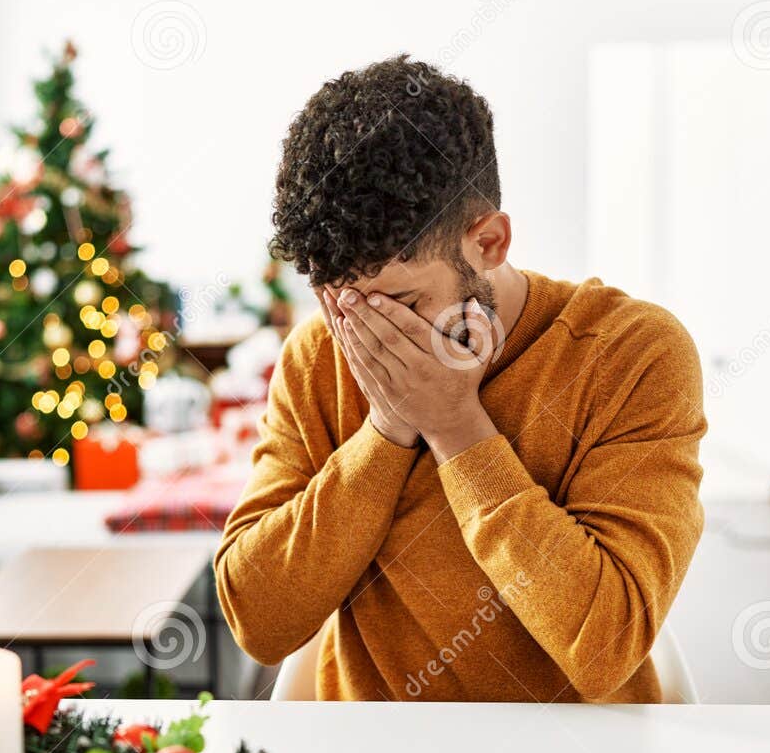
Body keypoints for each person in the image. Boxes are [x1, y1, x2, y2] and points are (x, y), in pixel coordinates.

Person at [214, 55, 705, 702]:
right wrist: (387, 427)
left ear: (490, 242)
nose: (363, 334)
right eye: (338, 302)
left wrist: (456, 427)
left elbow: (606, 640)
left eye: (403, 304)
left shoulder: (632, 353)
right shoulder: (321, 351)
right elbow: (259, 619)